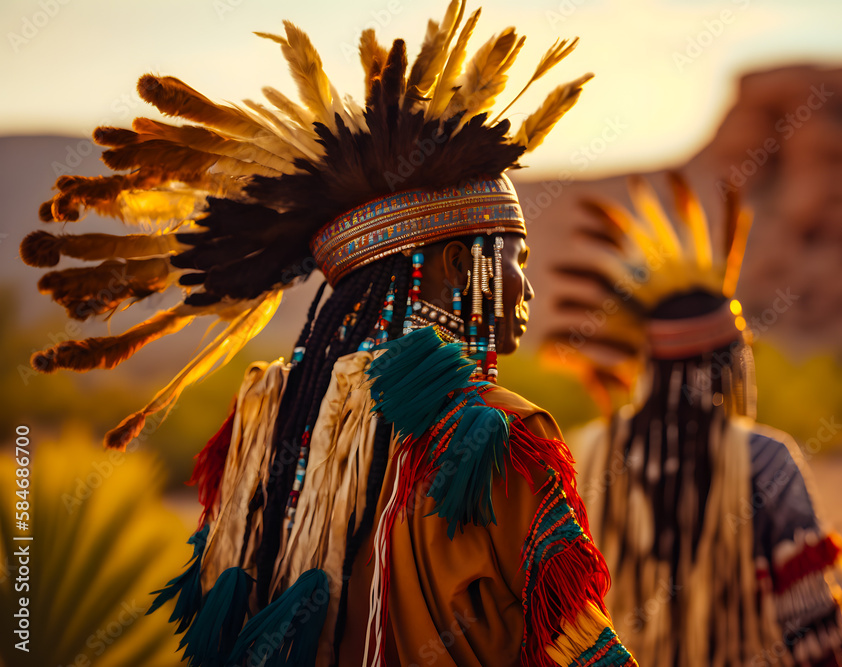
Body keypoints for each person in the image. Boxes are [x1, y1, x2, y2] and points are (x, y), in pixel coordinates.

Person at [20, 4, 638, 665]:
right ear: (460, 265)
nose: (528, 289)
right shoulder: (500, 439)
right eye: (515, 259)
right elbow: (578, 644)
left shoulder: (262, 432)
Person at [542, 172, 842, 666]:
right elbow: (811, 624)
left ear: (651, 362)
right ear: (729, 365)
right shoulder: (765, 459)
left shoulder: (583, 454)